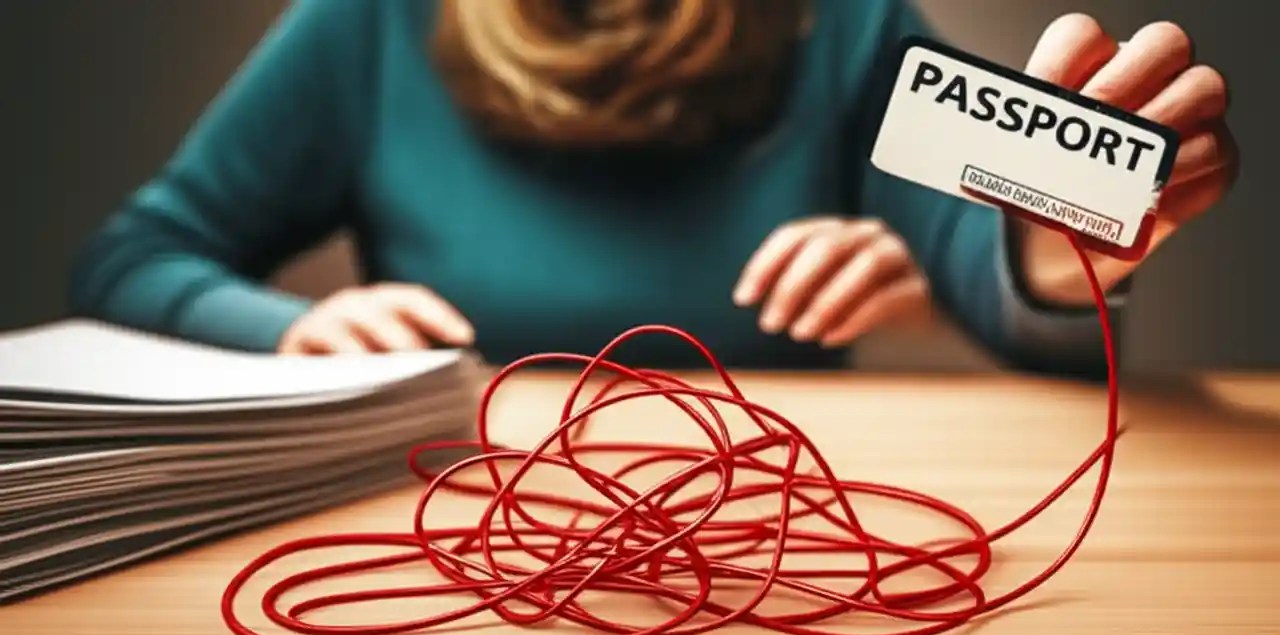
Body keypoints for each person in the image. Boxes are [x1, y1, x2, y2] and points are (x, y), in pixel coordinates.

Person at [69, 0, 1236, 375]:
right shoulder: (372, 25)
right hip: (452, 548)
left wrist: (1061, 245)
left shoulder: (836, 24)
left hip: (790, 566)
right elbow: (129, 261)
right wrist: (293, 329)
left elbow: (1002, 282)